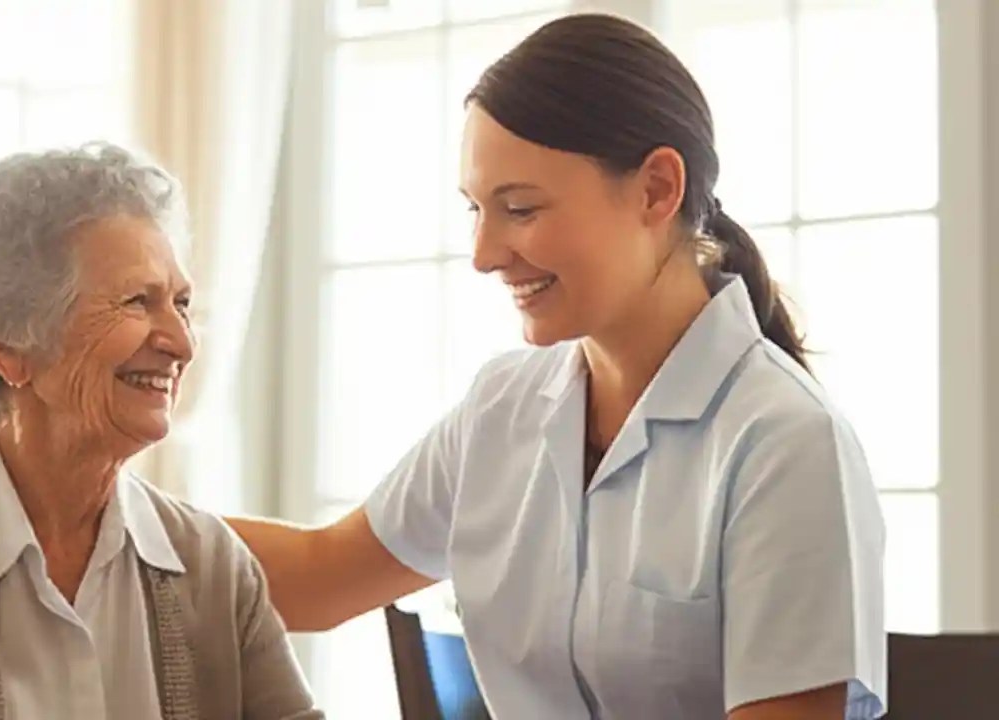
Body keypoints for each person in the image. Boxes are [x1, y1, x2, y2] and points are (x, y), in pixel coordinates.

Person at [227, 13, 885, 720]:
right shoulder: (501, 410)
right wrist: (108, 506)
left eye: (520, 209)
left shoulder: (784, 443)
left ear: (657, 189)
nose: (483, 253)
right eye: (477, 210)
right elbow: (320, 577)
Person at [0, 144, 322, 720]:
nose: (182, 342)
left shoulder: (213, 563)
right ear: (6, 345)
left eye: (181, 302)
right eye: (136, 302)